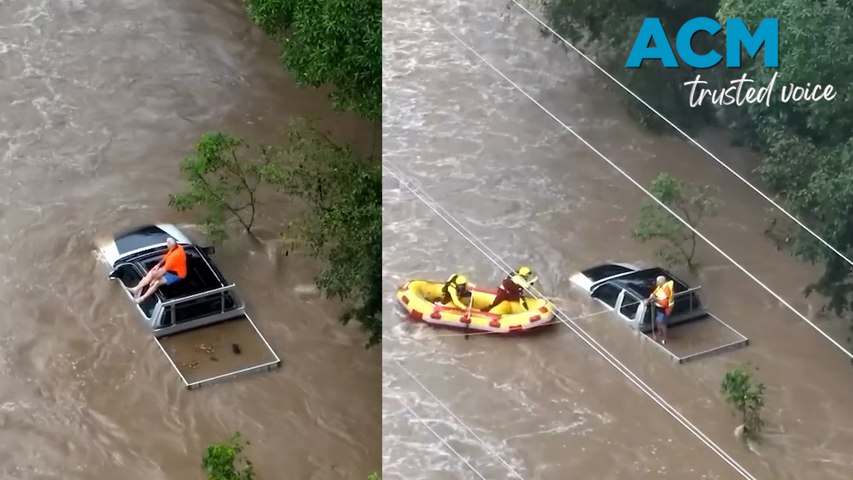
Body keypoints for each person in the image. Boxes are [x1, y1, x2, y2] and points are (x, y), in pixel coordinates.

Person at [129, 237, 187, 304]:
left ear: (169, 245)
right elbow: (167, 255)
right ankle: (137, 289)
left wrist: (153, 280)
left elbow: (162, 272)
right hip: (171, 269)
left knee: (157, 282)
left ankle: (142, 298)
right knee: (151, 273)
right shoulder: (177, 247)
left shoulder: (174, 257)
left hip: (177, 275)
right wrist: (158, 265)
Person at [648, 275, 675, 344]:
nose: (656, 283)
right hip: (659, 308)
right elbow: (656, 291)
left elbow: (664, 303)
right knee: (658, 321)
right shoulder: (662, 286)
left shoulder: (667, 290)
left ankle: (664, 338)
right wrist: (652, 295)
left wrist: (655, 299)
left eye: (657, 282)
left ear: (661, 282)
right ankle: (660, 333)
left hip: (665, 309)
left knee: (662, 324)